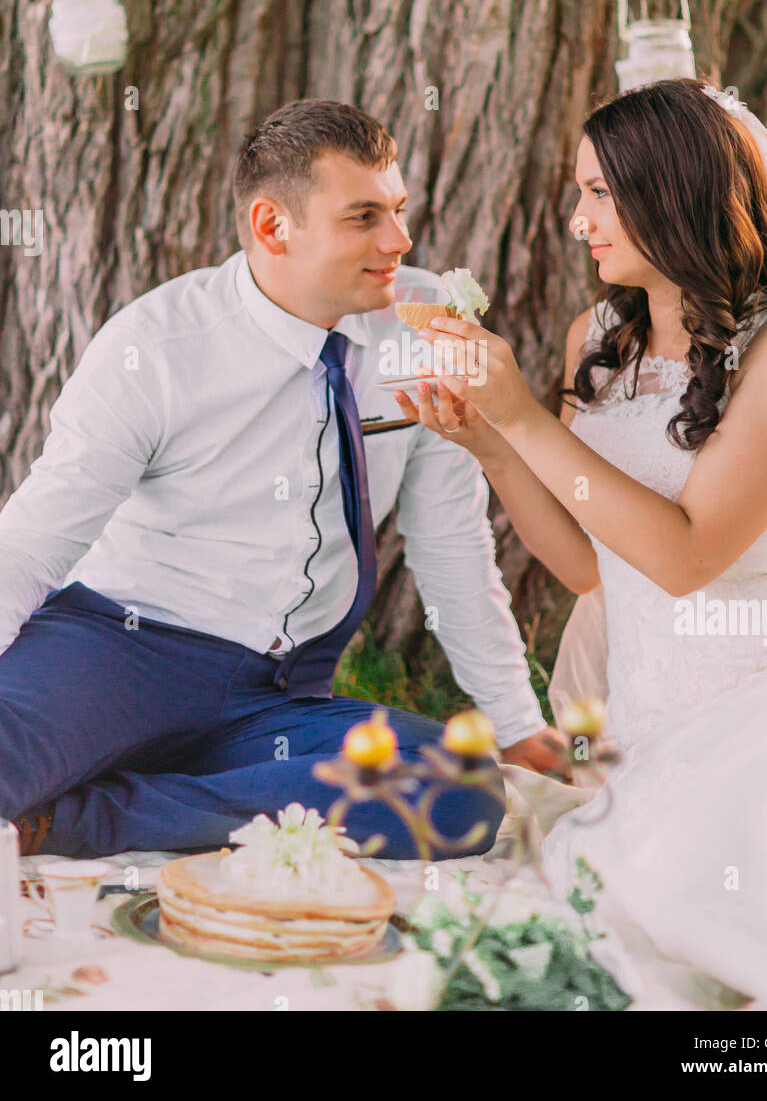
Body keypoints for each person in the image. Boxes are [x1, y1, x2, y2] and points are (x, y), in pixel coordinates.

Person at [395, 77, 767, 1009]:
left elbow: (687, 559)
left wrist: (526, 419)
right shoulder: (598, 339)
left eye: (600, 194)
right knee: (627, 883)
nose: (578, 221)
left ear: (674, 189)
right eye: (581, 194)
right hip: (651, 714)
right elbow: (584, 565)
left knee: (750, 881)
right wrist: (490, 442)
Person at [0, 98, 563, 861]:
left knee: (461, 792)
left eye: (397, 210)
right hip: (118, 652)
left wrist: (519, 724)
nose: (398, 240)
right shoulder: (157, 347)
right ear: (273, 226)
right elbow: (31, 543)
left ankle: (80, 817)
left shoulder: (420, 327)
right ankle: (105, 759)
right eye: (362, 217)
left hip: (279, 697)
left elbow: (450, 542)